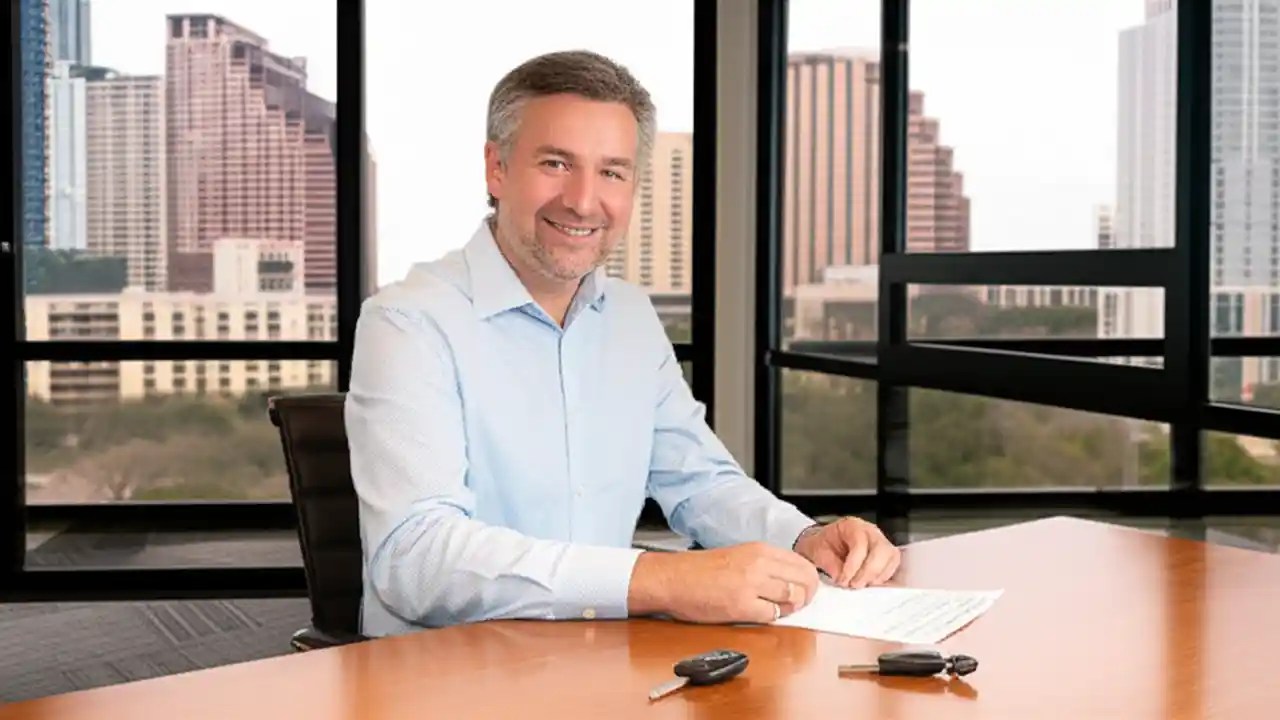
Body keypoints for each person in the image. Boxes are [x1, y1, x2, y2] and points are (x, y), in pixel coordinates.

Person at [345, 50, 901, 638]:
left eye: (611, 171)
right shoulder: (407, 321)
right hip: (443, 677)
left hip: (603, 660)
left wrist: (805, 537)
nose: (584, 200)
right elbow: (415, 558)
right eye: (556, 163)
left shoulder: (631, 319)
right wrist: (662, 580)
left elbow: (701, 482)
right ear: (497, 168)